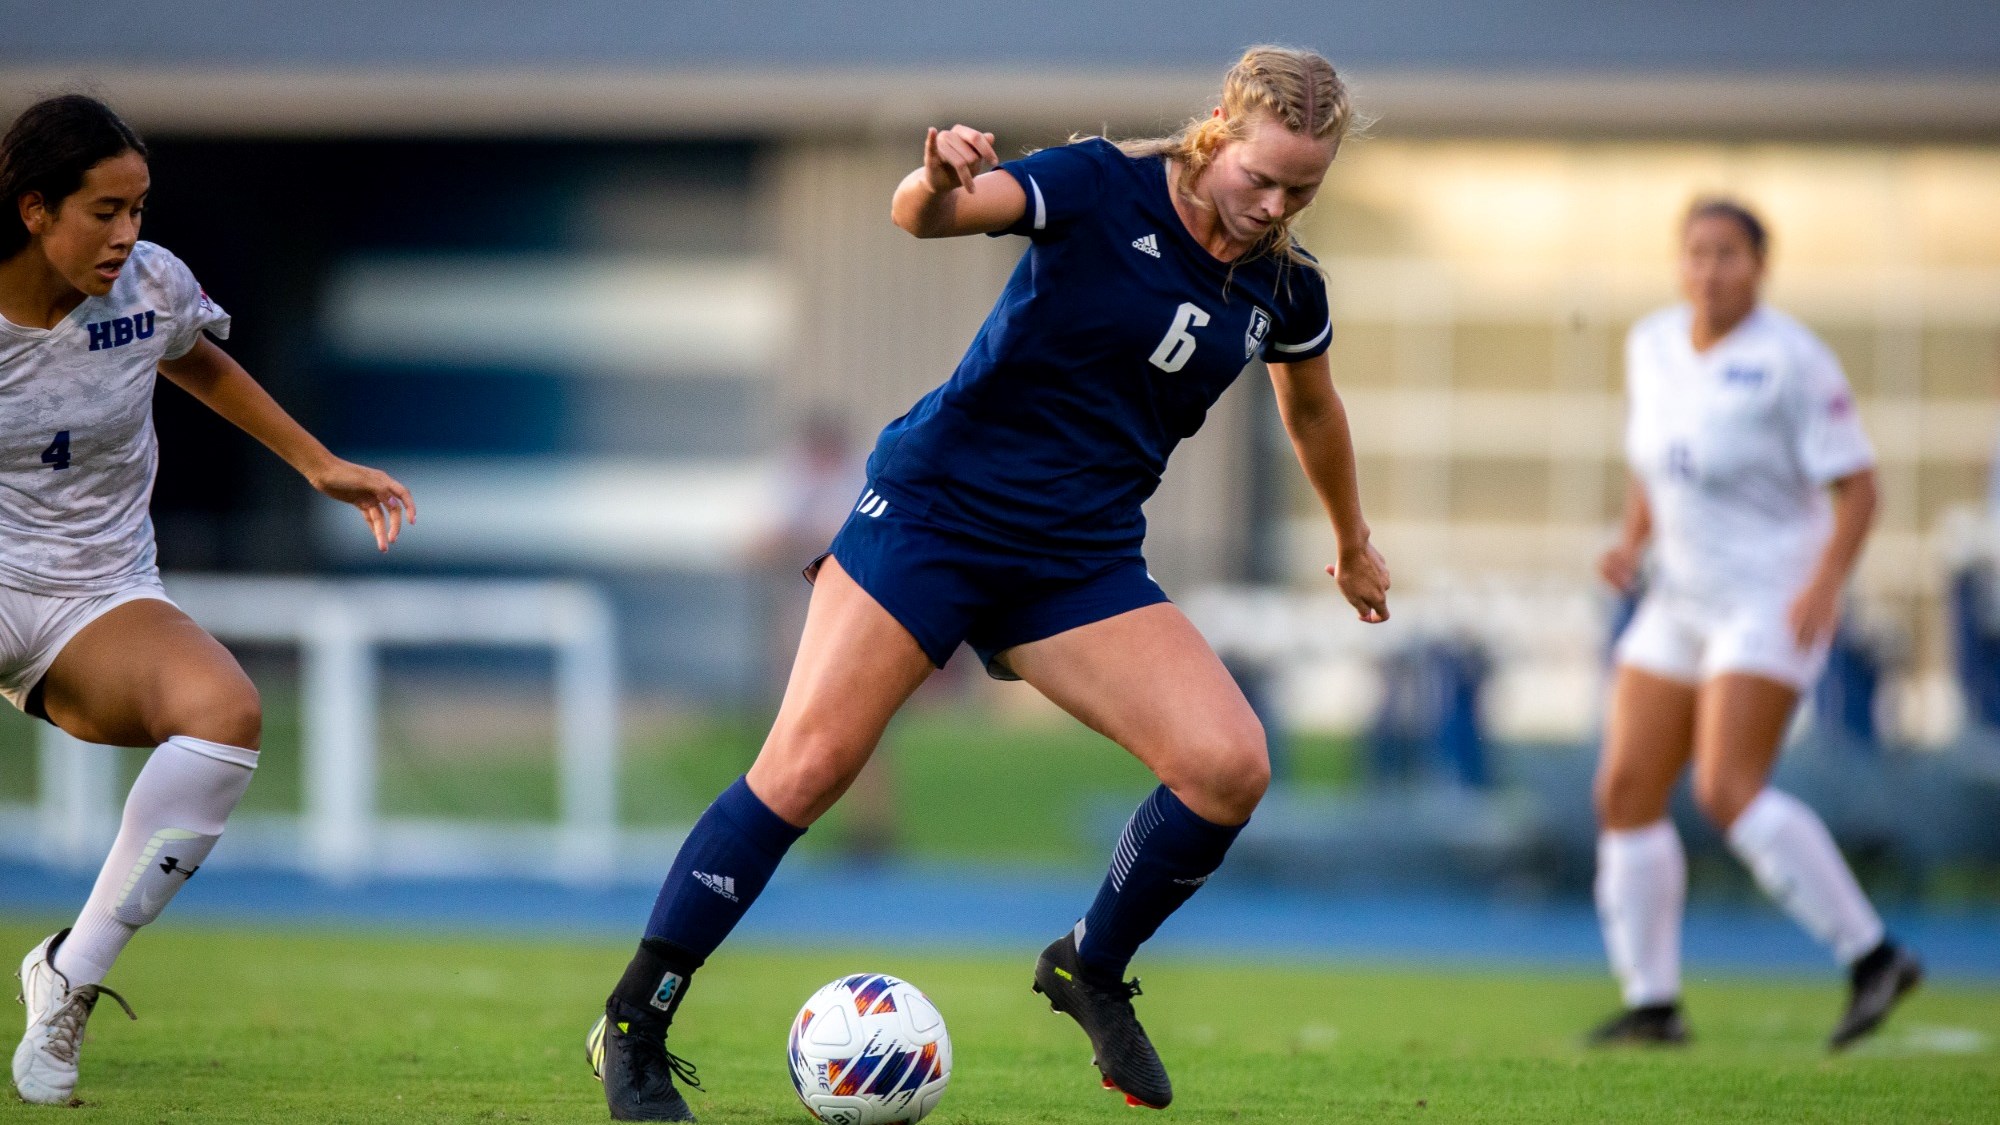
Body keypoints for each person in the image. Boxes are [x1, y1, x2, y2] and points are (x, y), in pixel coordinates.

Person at [587, 45, 1389, 1120]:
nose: (1274, 204)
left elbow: (1312, 411)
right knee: (809, 765)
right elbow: (924, 217)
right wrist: (937, 178)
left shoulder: (1286, 286)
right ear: (1215, 132)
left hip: (1076, 559)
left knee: (1227, 765)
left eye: (1303, 188)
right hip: (935, 517)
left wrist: (1350, 538)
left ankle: (1088, 965)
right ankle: (636, 1025)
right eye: (1262, 178)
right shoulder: (1100, 183)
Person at [1, 95, 415, 1105]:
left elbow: (194, 357)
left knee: (224, 714)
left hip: (96, 591)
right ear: (33, 211)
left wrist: (317, 465)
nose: (128, 234)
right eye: (105, 211)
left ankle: (70, 978)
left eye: (138, 207)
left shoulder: (148, 284)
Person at [1590, 198, 1920, 1050]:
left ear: (1759, 265)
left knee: (1726, 788)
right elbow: (1654, 467)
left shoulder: (1792, 360)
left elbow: (1862, 488)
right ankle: (1654, 1003)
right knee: (1625, 788)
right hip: (1680, 597)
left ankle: (1873, 954)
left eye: (1727, 253)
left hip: (1766, 598)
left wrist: (1823, 586)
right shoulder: (1652, 343)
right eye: (1696, 252)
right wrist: (1630, 542)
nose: (1709, 269)